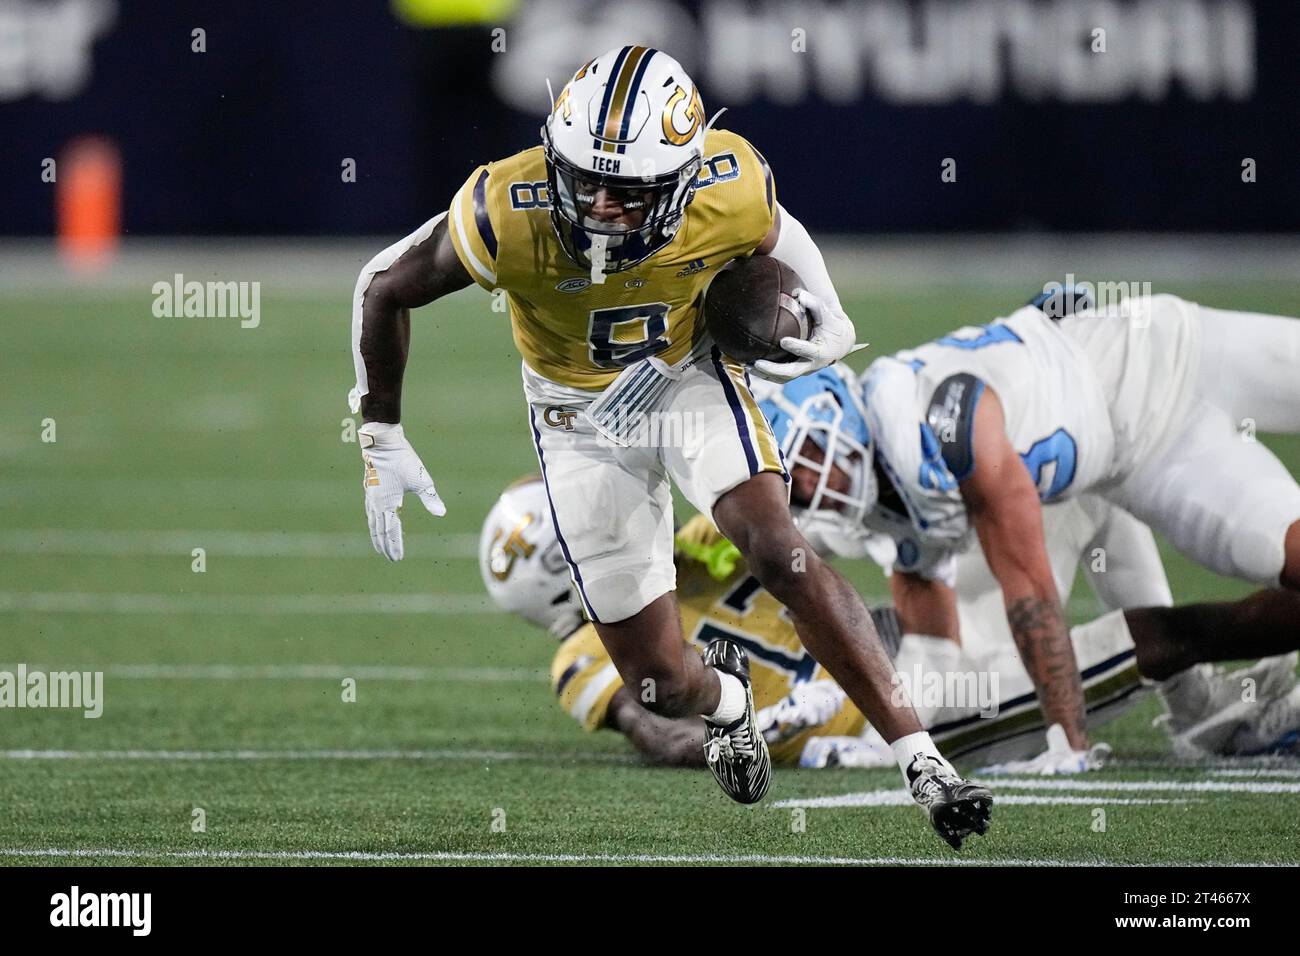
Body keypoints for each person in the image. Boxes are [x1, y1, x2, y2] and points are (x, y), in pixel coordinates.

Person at [347, 46, 990, 846]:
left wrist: (825, 311)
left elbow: (780, 239)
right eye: (585, 179)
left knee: (774, 546)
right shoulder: (505, 209)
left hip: (682, 375)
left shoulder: (730, 185)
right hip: (575, 419)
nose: (602, 204)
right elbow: (385, 286)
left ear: (683, 178)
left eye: (629, 189)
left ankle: (922, 760)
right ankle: (727, 699)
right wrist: (380, 428)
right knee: (656, 684)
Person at [751, 293, 1300, 767]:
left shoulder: (944, 420)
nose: (806, 485)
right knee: (1287, 557)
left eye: (805, 456)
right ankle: (1221, 703)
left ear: (834, 414)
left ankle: (1208, 705)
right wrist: (886, 743)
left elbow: (1029, 589)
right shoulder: (890, 509)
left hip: (1166, 345)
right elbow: (935, 651)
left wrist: (1068, 739)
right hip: (1148, 459)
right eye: (791, 485)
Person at [479, 477, 1300, 773]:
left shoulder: (683, 555)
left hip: (918, 639)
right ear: (569, 572)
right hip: (914, 711)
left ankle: (1206, 718)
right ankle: (1222, 693)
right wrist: (756, 730)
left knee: (1088, 485)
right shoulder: (587, 654)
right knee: (1160, 635)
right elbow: (658, 737)